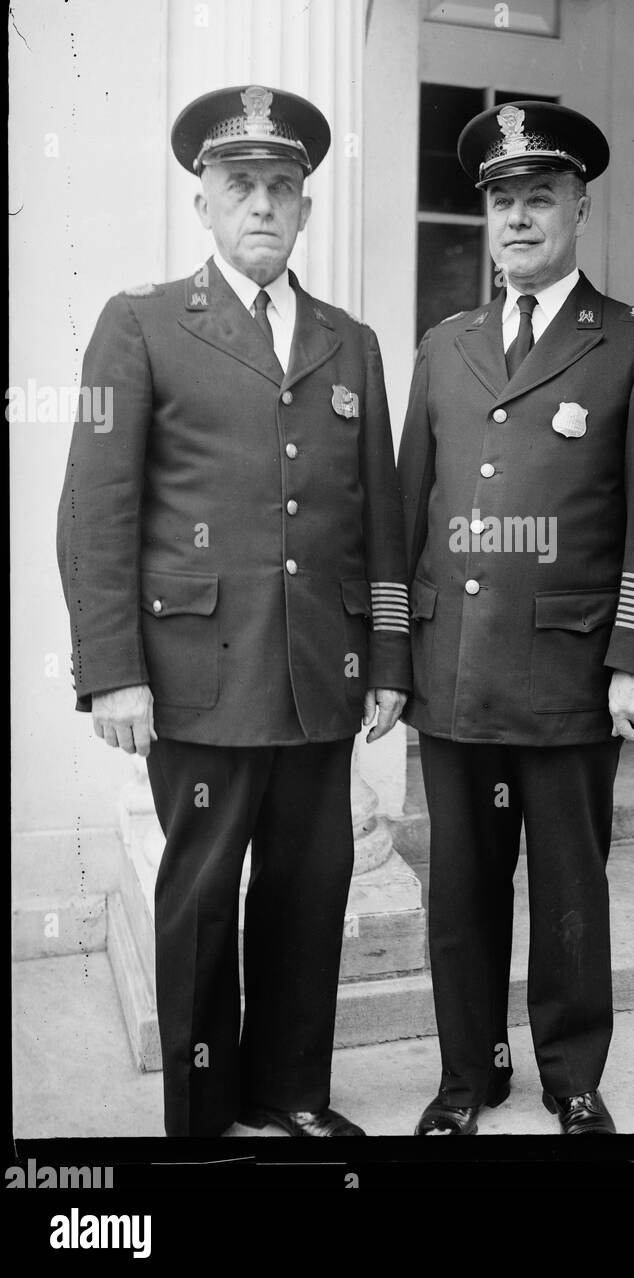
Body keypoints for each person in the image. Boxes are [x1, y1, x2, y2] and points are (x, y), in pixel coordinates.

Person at [57, 84, 410, 1138]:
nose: (261, 204)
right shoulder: (142, 324)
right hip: (198, 674)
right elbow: (95, 508)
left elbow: (379, 516)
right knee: (204, 900)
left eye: (281, 188)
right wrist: (111, 668)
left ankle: (289, 1094)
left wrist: (386, 657)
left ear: (304, 211)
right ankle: (205, 1116)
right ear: (203, 205)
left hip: (319, 673)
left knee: (311, 892)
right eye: (238, 185)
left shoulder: (351, 344)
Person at [398, 100, 634, 1136]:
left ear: (576, 209)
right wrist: (396, 657)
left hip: (573, 675)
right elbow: (410, 507)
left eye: (538, 199)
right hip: (456, 671)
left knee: (570, 892)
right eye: (501, 204)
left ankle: (571, 1076)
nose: (517, 220)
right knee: (462, 891)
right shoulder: (445, 345)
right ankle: (466, 1080)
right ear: (485, 220)